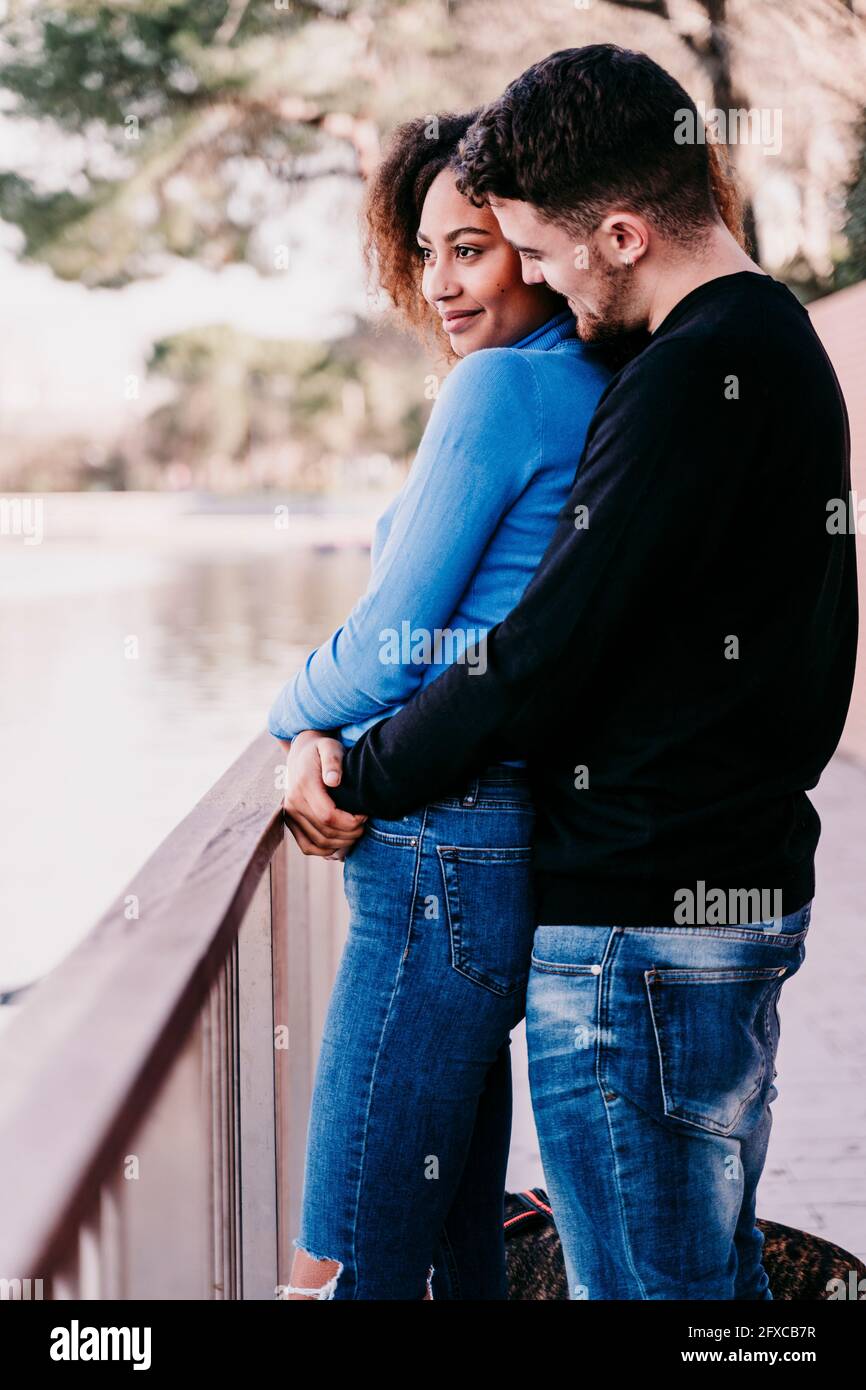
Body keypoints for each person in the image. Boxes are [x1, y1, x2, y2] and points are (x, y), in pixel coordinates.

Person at [281, 46, 858, 1300]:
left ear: (616, 230)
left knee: (652, 1293)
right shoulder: (767, 342)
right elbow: (814, 648)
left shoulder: (686, 378)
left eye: (529, 250)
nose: (526, 277)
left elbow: (537, 652)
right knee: (700, 1285)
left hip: (642, 932)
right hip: (722, 893)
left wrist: (353, 768)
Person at [268, 110, 617, 1299]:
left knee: (359, 1239)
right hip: (503, 837)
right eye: (425, 252)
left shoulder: (497, 393)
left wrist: (286, 718)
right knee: (456, 1226)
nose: (440, 284)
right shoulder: (603, 381)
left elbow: (383, 650)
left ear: (536, 236)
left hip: (430, 845)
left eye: (469, 246)